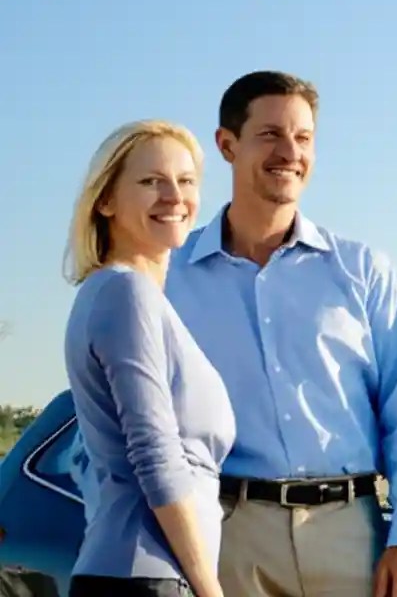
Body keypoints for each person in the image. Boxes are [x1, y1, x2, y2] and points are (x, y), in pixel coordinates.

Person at [166, 71, 397, 597]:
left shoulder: (364, 271)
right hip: (229, 537)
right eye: (270, 134)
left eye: (303, 137)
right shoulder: (171, 278)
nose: (289, 151)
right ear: (227, 144)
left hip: (350, 536)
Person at [62, 120, 234, 597]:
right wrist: (208, 587)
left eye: (185, 180)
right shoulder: (125, 292)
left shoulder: (114, 293)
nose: (173, 195)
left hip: (136, 571)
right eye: (150, 181)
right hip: (148, 577)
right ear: (107, 200)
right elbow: (155, 455)